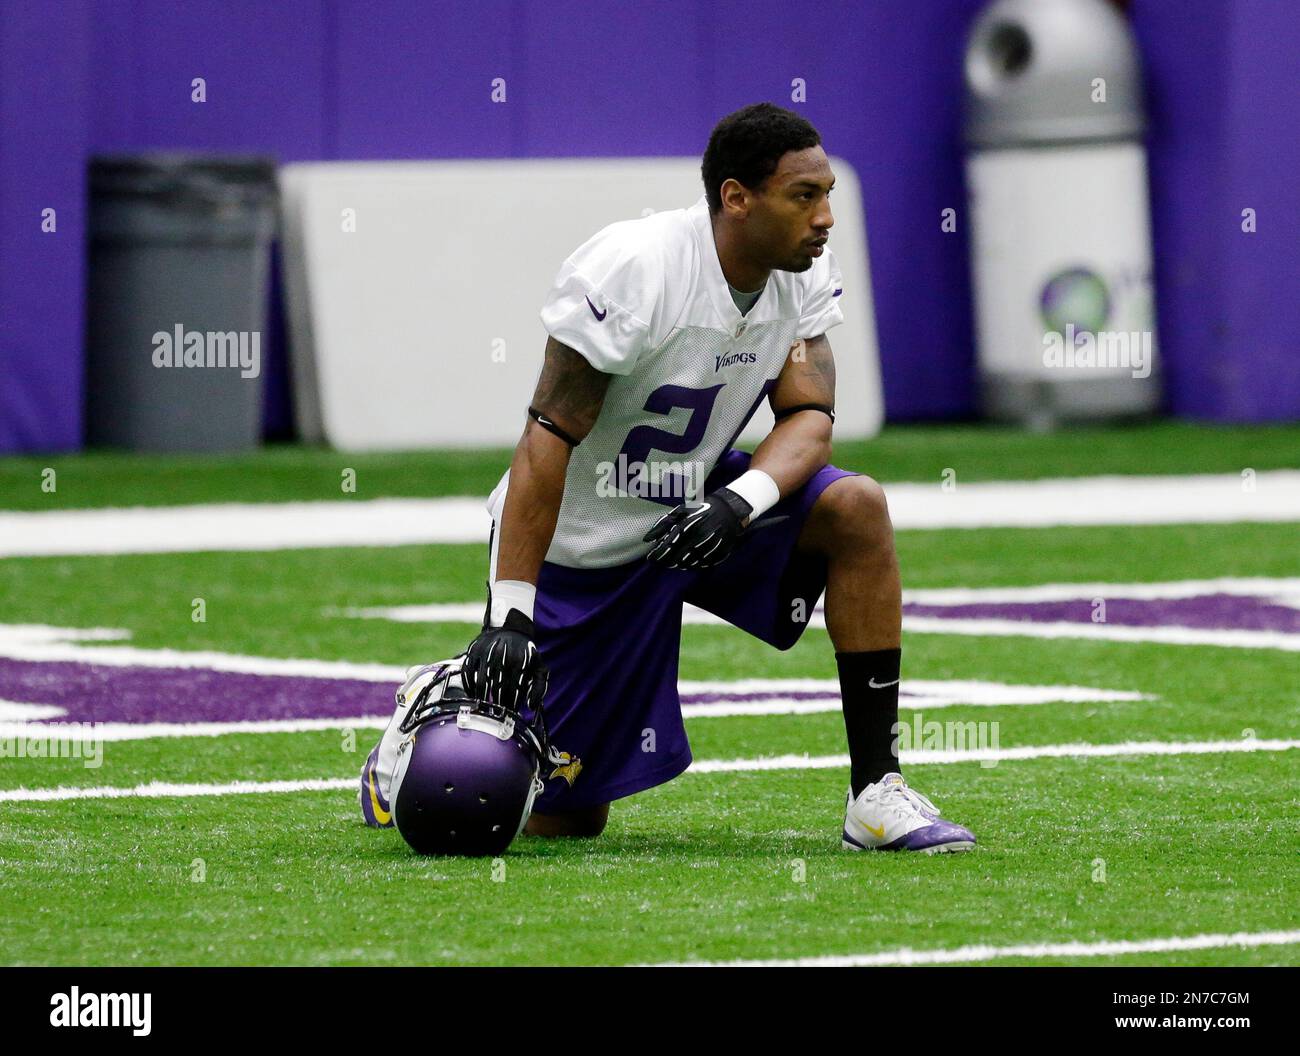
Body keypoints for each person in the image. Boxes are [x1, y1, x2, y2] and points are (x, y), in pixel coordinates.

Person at [366, 102, 975, 853]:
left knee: (854, 506)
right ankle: (444, 694)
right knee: (566, 818)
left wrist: (739, 503)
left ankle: (876, 793)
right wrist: (510, 612)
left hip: (693, 511)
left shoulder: (801, 269)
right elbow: (547, 437)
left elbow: (810, 416)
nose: (824, 219)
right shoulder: (637, 268)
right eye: (804, 197)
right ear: (735, 197)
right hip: (586, 545)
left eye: (827, 197)